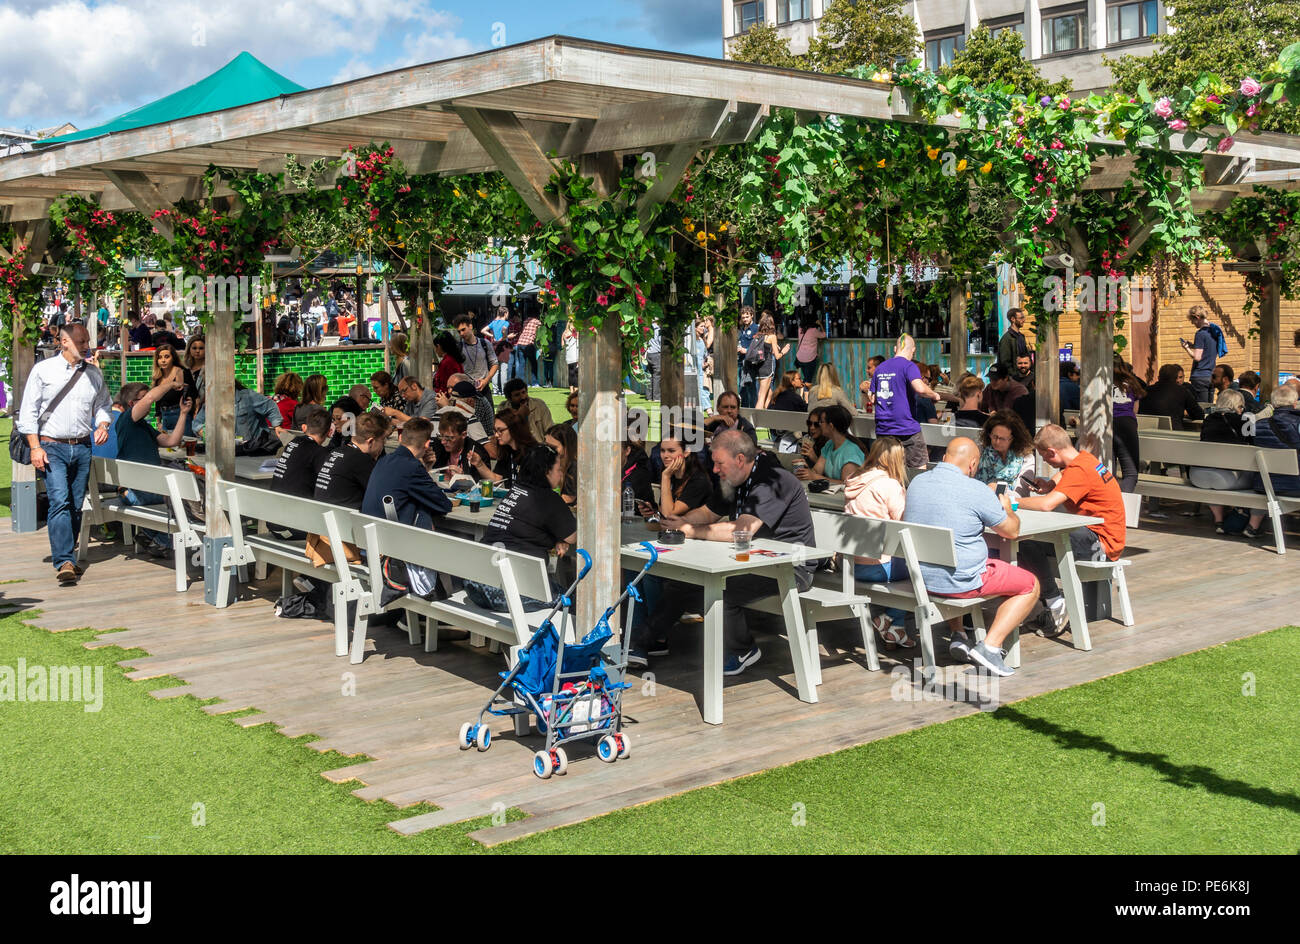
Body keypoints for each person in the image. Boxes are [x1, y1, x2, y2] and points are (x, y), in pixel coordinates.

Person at [639, 430, 816, 674]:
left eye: (719, 463)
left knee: (720, 592)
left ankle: (743, 649)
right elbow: (707, 513)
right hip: (751, 562)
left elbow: (742, 530)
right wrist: (676, 524)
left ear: (740, 460)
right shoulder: (733, 479)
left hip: (790, 568)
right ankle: (642, 643)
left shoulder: (772, 480)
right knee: (679, 585)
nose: (714, 469)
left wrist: (688, 529)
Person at [903, 437, 1041, 676]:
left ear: (945, 457)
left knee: (951, 559)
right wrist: (1006, 508)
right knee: (1031, 585)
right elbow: (1012, 531)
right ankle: (990, 647)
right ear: (973, 464)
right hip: (961, 581)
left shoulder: (917, 483)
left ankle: (959, 634)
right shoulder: (976, 489)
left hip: (921, 577)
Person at [17, 322, 113, 585]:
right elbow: (28, 413)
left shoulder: (93, 374)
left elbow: (104, 404)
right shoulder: (43, 371)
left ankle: (67, 554)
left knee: (75, 503)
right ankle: (64, 561)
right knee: (59, 500)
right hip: (51, 446)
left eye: (87, 340)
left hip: (82, 446)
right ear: (64, 341)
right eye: (82, 341)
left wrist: (103, 424)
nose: (87, 346)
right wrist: (35, 447)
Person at [1015, 425, 1126, 636]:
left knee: (1027, 541)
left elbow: (1047, 505)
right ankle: (1053, 604)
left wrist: (1012, 503)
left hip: (1101, 545)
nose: (1045, 462)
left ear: (1051, 452)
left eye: (1044, 457)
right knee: (1027, 542)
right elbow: (1066, 473)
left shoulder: (1080, 470)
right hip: (1101, 538)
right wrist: (1050, 485)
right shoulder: (1084, 459)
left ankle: (1055, 604)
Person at [468, 445, 577, 612]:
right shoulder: (549, 499)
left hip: (478, 585)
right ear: (546, 471)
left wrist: (557, 537)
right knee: (573, 599)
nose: (561, 473)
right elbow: (572, 537)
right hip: (508, 593)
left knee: (553, 587)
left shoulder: (514, 492)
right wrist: (561, 537)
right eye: (558, 469)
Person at [109, 379, 193, 556]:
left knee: (180, 494)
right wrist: (170, 383)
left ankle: (154, 538)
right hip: (136, 492)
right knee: (184, 495)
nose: (151, 401)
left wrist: (184, 413)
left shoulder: (143, 426)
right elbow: (150, 400)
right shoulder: (126, 420)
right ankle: (160, 540)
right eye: (145, 397)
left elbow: (172, 441)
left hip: (143, 490)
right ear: (132, 404)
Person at [844, 436, 913, 648]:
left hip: (852, 565)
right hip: (877, 567)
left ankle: (894, 629)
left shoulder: (855, 479)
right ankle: (889, 617)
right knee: (921, 569)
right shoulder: (890, 485)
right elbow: (904, 523)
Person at [870, 333, 943, 470]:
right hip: (906, 430)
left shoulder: (880, 368)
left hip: (884, 431)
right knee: (917, 472)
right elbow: (920, 389)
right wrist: (934, 395)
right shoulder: (909, 366)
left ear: (894, 349)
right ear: (913, 350)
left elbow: (873, 398)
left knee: (888, 473)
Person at [362, 416, 451, 526]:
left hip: (373, 532)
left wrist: (426, 469)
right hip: (394, 536)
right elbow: (443, 504)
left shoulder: (383, 461)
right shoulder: (412, 467)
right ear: (427, 444)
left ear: (400, 438)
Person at [1189, 389, 1254, 533]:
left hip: (1197, 476)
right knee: (1257, 479)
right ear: (1237, 406)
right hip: (1226, 479)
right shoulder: (1244, 421)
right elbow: (1252, 445)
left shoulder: (1208, 419)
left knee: (1214, 473)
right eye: (1241, 406)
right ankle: (1244, 515)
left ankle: (1219, 520)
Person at [1244, 384, 1300, 539]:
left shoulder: (1257, 425)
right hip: (1295, 485)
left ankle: (1253, 526)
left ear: (1273, 404)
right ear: (1294, 403)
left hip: (1264, 485)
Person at [314, 412, 389, 510]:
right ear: (370, 441)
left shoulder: (336, 451)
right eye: (383, 440)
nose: (383, 444)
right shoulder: (362, 460)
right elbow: (383, 495)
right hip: (343, 521)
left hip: (322, 515)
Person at [193, 381, 283, 449]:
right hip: (222, 451)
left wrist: (277, 425)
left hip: (250, 451)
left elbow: (270, 406)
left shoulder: (248, 396)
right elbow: (196, 424)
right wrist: (205, 433)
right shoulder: (211, 402)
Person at [271, 406, 332, 499]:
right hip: (297, 505)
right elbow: (327, 483)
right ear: (329, 432)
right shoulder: (319, 452)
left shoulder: (293, 442)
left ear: (304, 427)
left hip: (275, 498)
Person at [796, 404, 864, 485]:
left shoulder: (851, 452)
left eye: (821, 422)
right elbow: (817, 471)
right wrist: (805, 471)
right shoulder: (829, 444)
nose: (819, 425)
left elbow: (846, 484)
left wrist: (816, 477)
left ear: (831, 426)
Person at [649, 432, 714, 518]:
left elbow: (668, 513)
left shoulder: (699, 480)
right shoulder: (671, 474)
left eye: (671, 451)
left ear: (686, 452)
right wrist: (653, 509)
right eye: (662, 451)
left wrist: (665, 477)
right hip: (673, 528)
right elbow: (665, 508)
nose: (665, 455)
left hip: (694, 530)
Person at [471, 409, 537, 486]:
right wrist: (479, 464)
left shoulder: (534, 453)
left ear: (514, 428)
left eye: (500, 430)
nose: (496, 435)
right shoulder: (507, 451)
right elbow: (497, 479)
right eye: (495, 431)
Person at [975, 410, 1035, 489]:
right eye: (994, 436)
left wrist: (999, 490)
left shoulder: (1026, 458)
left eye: (1002, 438)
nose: (997, 441)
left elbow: (1022, 491)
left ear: (1013, 438)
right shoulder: (979, 451)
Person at [1112, 358, 1146, 493]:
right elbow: (1134, 410)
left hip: (1105, 426)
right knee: (1130, 472)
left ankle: (1110, 503)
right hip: (1127, 425)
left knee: (1107, 473)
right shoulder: (1132, 383)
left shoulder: (1099, 383)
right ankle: (1124, 504)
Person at [1139, 363, 1203, 431]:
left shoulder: (1146, 391)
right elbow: (1199, 415)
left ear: (1159, 377)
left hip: (1148, 432)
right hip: (1174, 434)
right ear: (1175, 378)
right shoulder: (1182, 391)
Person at [150, 343, 194, 434]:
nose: (163, 360)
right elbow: (158, 402)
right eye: (160, 357)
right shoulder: (158, 377)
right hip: (165, 417)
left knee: (183, 446)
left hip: (180, 414)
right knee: (168, 447)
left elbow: (194, 395)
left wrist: (194, 413)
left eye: (166, 357)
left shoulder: (182, 372)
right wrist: (158, 422)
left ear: (173, 358)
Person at [1180, 305, 1220, 404]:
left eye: (1192, 320)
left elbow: (1197, 357)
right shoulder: (1214, 331)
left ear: (1197, 317)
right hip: (1211, 375)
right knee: (1209, 407)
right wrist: (1194, 345)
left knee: (1201, 408)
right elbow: (1207, 348)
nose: (1192, 323)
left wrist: (1187, 348)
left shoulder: (1200, 334)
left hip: (1200, 376)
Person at [454, 313, 498, 394]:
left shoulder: (485, 343)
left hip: (485, 389)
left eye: (463, 329)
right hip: (466, 390)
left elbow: (494, 364)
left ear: (470, 326)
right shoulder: (458, 347)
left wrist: (486, 380)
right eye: (459, 331)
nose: (461, 334)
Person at [753, 311, 789, 410]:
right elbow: (777, 356)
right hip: (767, 368)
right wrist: (784, 351)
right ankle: (757, 421)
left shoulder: (757, 336)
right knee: (761, 396)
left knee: (769, 393)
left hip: (758, 367)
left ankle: (768, 414)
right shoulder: (772, 337)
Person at [502, 376, 554, 443]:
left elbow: (550, 430)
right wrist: (519, 416)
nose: (522, 397)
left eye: (523, 392)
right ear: (509, 398)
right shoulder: (503, 409)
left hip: (539, 446)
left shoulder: (539, 405)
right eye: (517, 395)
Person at [545, 422, 578, 505]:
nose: (549, 450)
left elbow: (565, 503)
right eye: (547, 446)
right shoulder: (554, 464)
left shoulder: (573, 469)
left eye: (553, 447)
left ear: (567, 447)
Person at [793, 313, 826, 384]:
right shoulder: (814, 330)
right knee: (808, 381)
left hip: (800, 358)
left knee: (805, 378)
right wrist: (820, 324)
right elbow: (824, 335)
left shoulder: (800, 329)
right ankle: (807, 394)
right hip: (810, 358)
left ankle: (803, 393)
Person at [998, 307, 1030, 378]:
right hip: (1013, 379)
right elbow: (1005, 362)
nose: (1023, 320)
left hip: (1024, 376)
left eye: (1023, 317)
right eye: (1021, 318)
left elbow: (1026, 356)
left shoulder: (1021, 337)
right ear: (1013, 319)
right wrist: (1016, 375)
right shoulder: (1006, 339)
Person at [736, 308, 758, 407]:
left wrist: (746, 350)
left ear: (752, 315)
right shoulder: (741, 329)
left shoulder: (756, 329)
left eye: (747, 316)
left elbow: (758, 346)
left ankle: (753, 412)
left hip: (751, 363)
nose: (745, 319)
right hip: (741, 361)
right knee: (742, 388)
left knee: (751, 387)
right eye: (743, 317)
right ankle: (744, 411)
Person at [512, 311, 541, 386]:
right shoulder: (536, 321)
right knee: (534, 364)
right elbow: (541, 330)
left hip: (520, 343)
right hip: (528, 344)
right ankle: (535, 382)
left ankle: (521, 383)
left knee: (522, 364)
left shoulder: (525, 321)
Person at [645, 324, 662, 402]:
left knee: (649, 375)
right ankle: (656, 397)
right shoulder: (658, 330)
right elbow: (660, 342)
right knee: (657, 376)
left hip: (649, 354)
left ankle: (649, 397)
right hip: (656, 354)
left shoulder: (649, 329)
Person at [562, 319, 580, 391]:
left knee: (570, 373)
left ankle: (571, 391)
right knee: (576, 374)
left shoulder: (565, 333)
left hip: (568, 356)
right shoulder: (575, 332)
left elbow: (562, 345)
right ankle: (576, 391)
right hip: (575, 355)